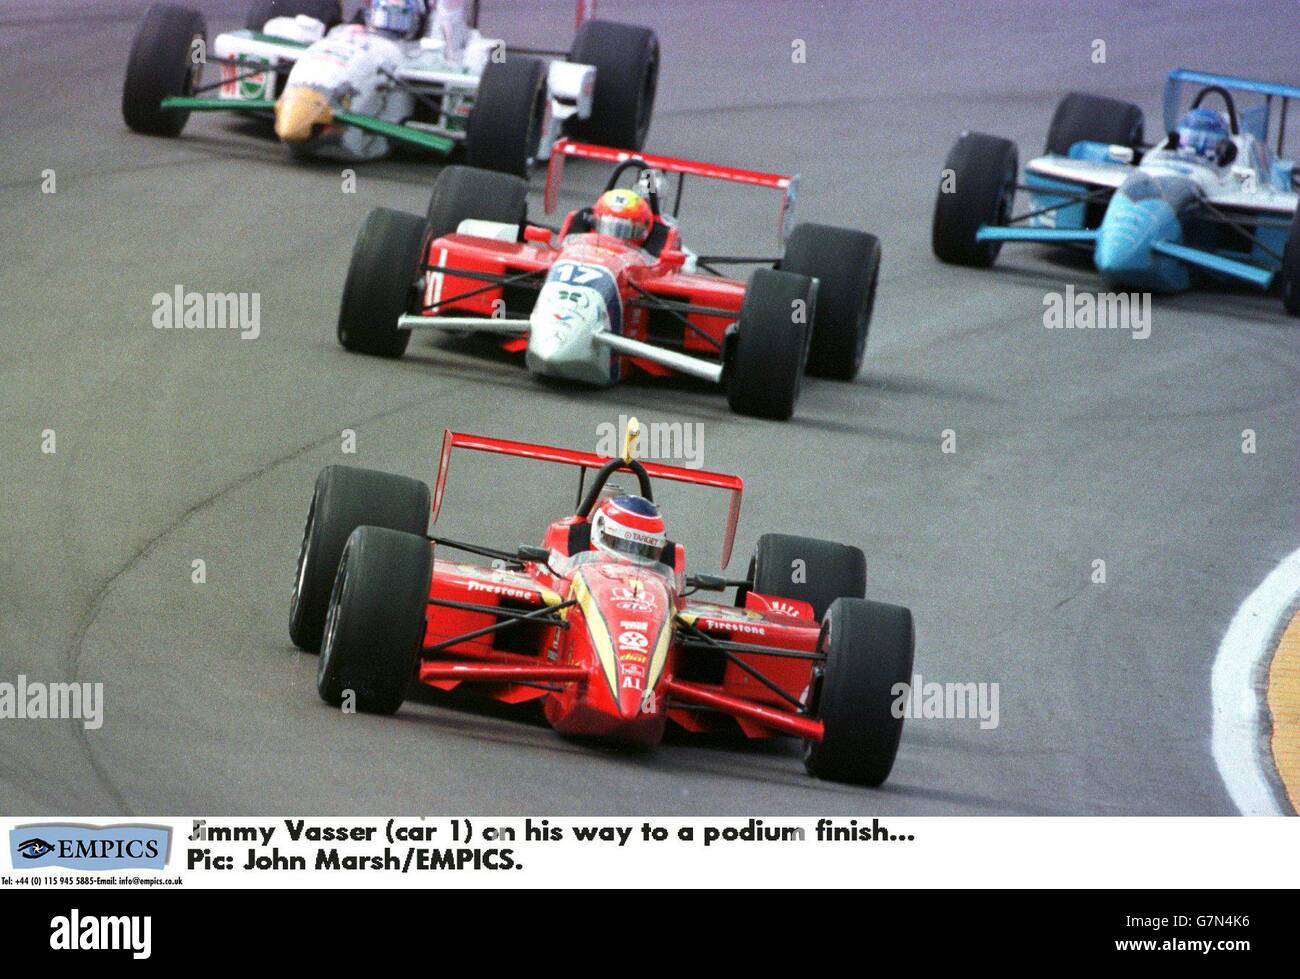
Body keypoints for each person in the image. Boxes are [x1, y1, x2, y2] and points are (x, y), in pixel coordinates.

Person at [589, 495, 666, 565]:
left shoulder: (673, 556)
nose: (630, 561)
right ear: (600, 531)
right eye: (623, 545)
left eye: (646, 552)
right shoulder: (579, 540)